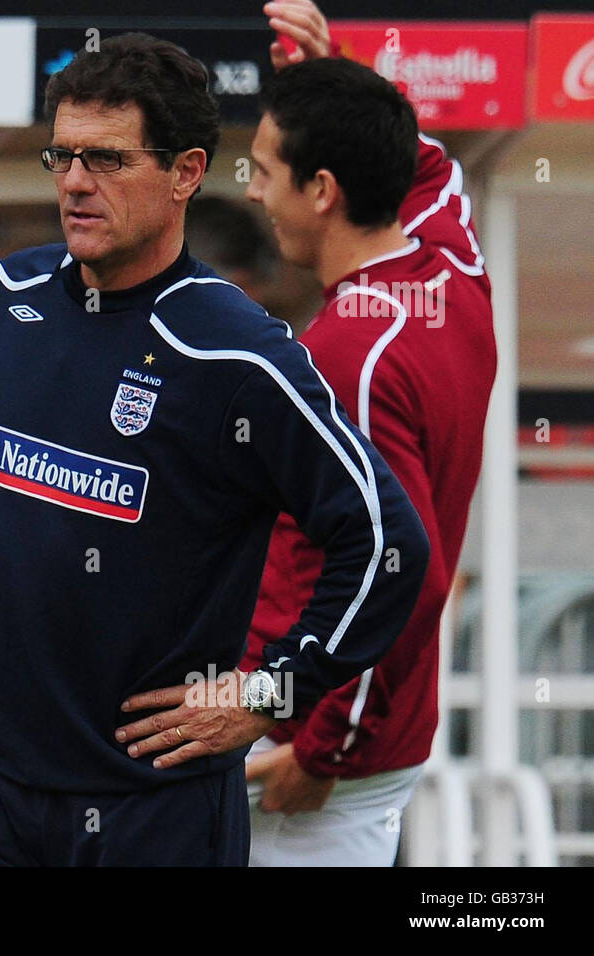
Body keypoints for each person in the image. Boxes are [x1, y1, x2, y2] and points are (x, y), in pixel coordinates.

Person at [0, 30, 429, 866]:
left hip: (152, 809)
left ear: (186, 173)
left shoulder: (236, 352)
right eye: (63, 156)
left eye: (108, 161)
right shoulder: (7, 297)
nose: (77, 184)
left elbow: (386, 544)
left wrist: (272, 693)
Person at [237, 1, 496, 865]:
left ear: (322, 190)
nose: (251, 189)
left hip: (313, 753)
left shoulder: (348, 358)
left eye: (266, 169)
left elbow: (401, 571)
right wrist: (331, 75)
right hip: (353, 737)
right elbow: (430, 170)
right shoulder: (454, 269)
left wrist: (324, 750)